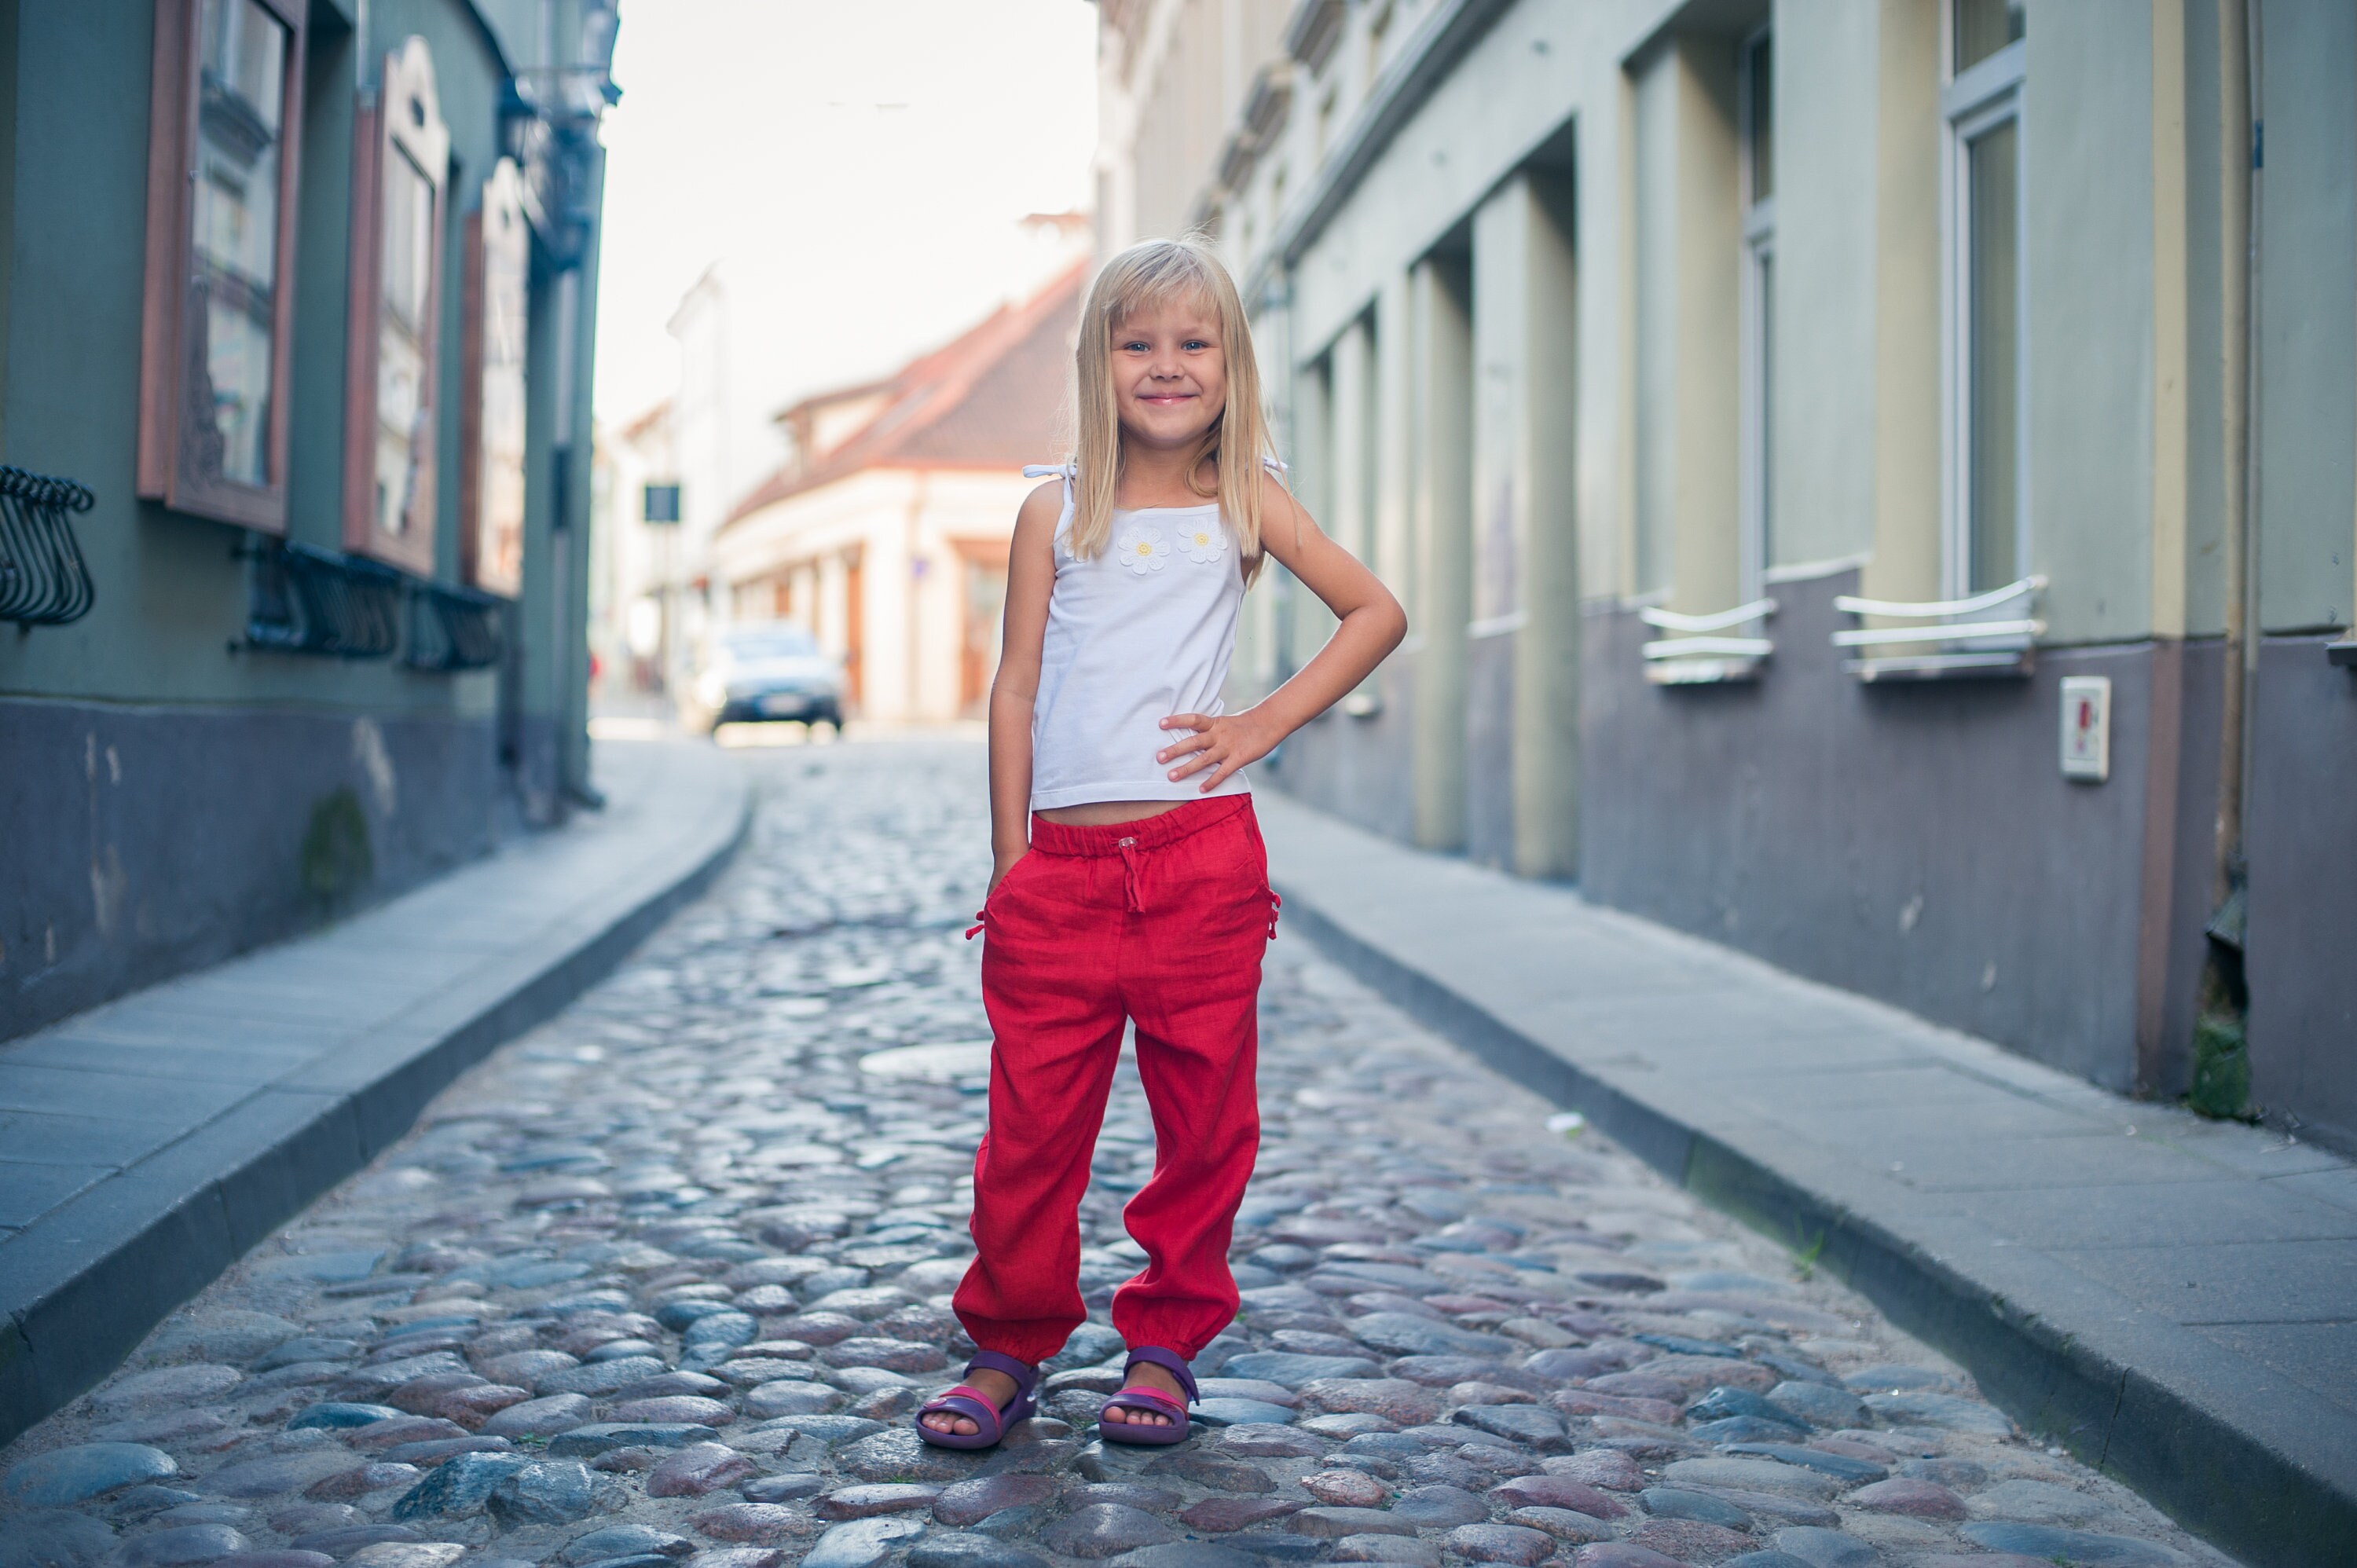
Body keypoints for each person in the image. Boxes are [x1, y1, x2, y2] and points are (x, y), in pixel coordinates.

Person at [915, 236, 1404, 1449]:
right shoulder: (1055, 509)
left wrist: (1260, 727)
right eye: (1140, 344)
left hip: (1199, 867)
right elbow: (1016, 688)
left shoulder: (1247, 503)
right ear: (1101, 362)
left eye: (1195, 345)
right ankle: (1006, 1348)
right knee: (1029, 1135)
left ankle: (1166, 1349)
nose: (1168, 366)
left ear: (1232, 366)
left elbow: (1375, 612)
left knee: (1204, 1129)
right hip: (1062, 880)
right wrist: (1007, 855)